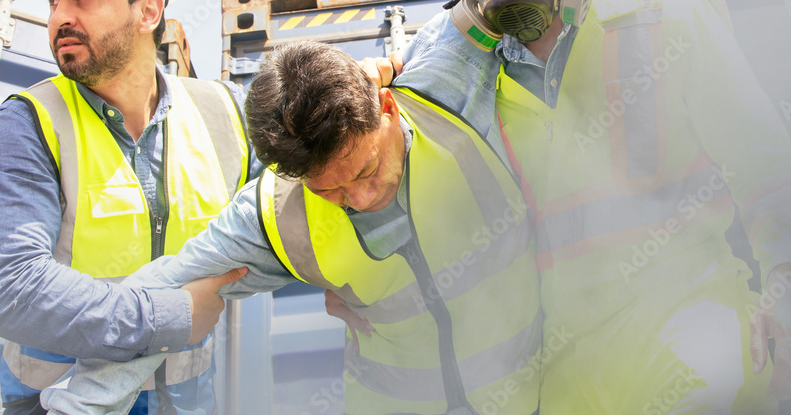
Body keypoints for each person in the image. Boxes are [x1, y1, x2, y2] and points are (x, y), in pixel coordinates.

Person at [384, 0, 791, 414]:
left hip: (696, 322)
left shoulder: (664, 16)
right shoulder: (466, 79)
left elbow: (770, 170)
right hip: (564, 370)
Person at [40, 39, 542, 415]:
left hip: (534, 397)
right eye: (330, 191)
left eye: (365, 170)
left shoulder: (449, 98)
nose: (361, 199)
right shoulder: (274, 215)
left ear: (386, 106)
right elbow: (164, 290)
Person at [0, 0, 254, 415]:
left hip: (185, 402)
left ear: (149, 11)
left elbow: (291, 211)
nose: (59, 17)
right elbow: (2, 284)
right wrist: (167, 316)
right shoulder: (30, 122)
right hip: (58, 402)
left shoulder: (222, 111)